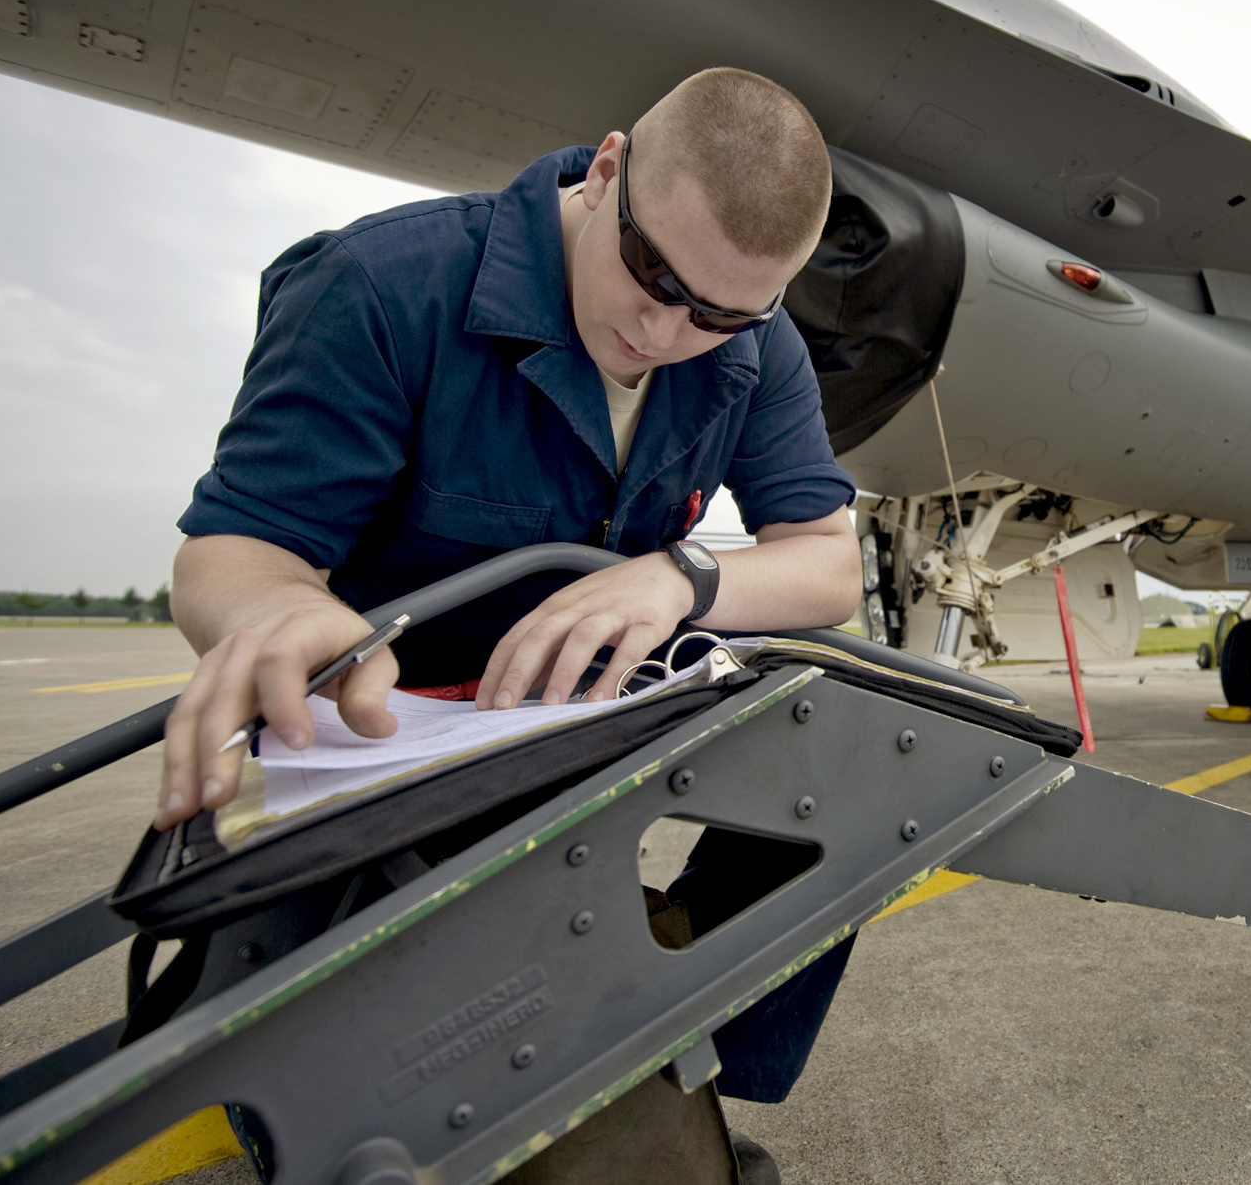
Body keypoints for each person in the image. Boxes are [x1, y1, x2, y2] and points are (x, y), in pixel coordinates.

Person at [159, 67, 862, 1180]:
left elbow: (829, 565)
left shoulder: (749, 347)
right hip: (386, 786)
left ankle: (685, 1008)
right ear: (609, 167)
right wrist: (286, 610)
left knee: (859, 741)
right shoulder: (386, 284)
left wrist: (677, 579)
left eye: (723, 310)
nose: (669, 329)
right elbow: (231, 547)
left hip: (576, 780)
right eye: (654, 273)